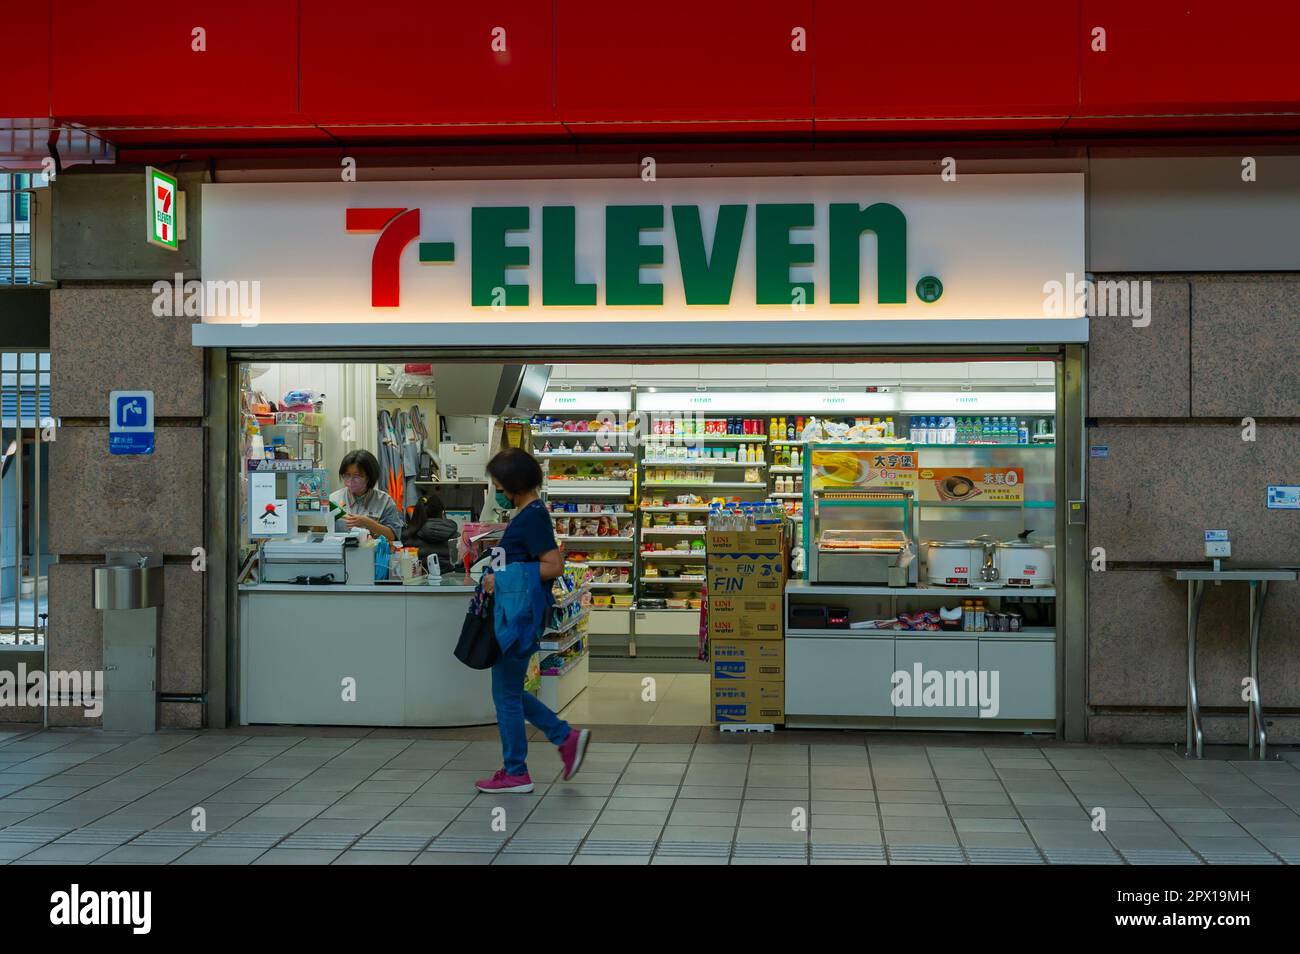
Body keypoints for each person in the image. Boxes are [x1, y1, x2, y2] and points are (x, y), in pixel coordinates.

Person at [477, 447, 589, 794]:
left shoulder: (532, 517)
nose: (495, 490)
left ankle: (517, 772)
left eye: (497, 484)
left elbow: (553, 565)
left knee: (506, 696)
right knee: (508, 691)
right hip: (517, 613)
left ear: (513, 484)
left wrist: (504, 577)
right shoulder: (526, 513)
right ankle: (564, 737)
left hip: (519, 617)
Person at [329, 449, 404, 542]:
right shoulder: (333, 499)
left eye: (356, 476)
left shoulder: (385, 501)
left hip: (372, 554)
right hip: (340, 554)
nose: (351, 480)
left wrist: (368, 523)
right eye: (347, 475)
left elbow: (393, 536)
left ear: (369, 477)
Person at [401, 492, 458, 568]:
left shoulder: (407, 539)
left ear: (417, 513)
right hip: (450, 579)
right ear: (442, 513)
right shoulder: (458, 539)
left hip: (417, 579)